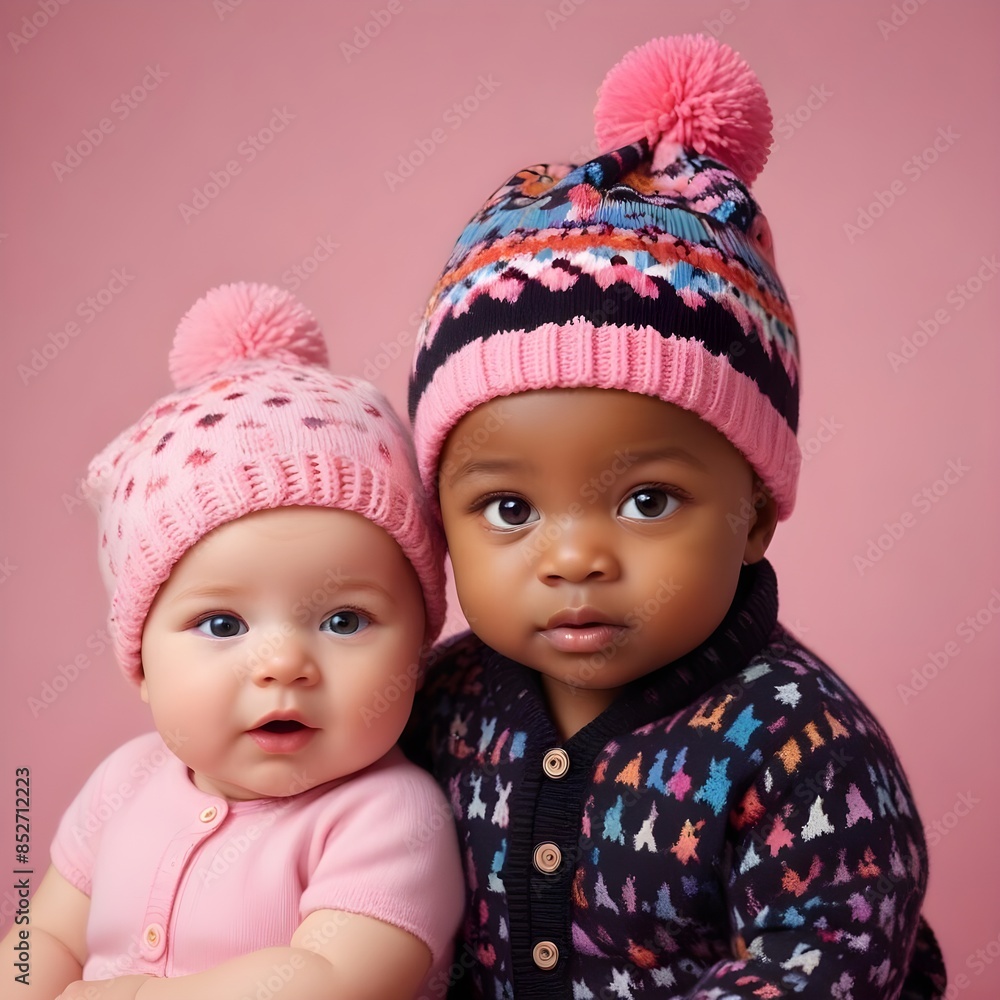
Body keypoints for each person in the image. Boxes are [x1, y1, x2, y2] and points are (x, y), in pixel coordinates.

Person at [402, 35, 947, 999]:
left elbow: (824, 962)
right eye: (510, 507)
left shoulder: (805, 751)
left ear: (755, 514)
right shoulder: (437, 705)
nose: (574, 556)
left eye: (647, 500)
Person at [3, 283, 463, 999]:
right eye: (222, 625)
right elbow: (47, 938)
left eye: (344, 621)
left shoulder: (388, 816)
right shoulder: (123, 784)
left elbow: (330, 980)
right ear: (142, 662)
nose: (283, 664)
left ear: (419, 649)